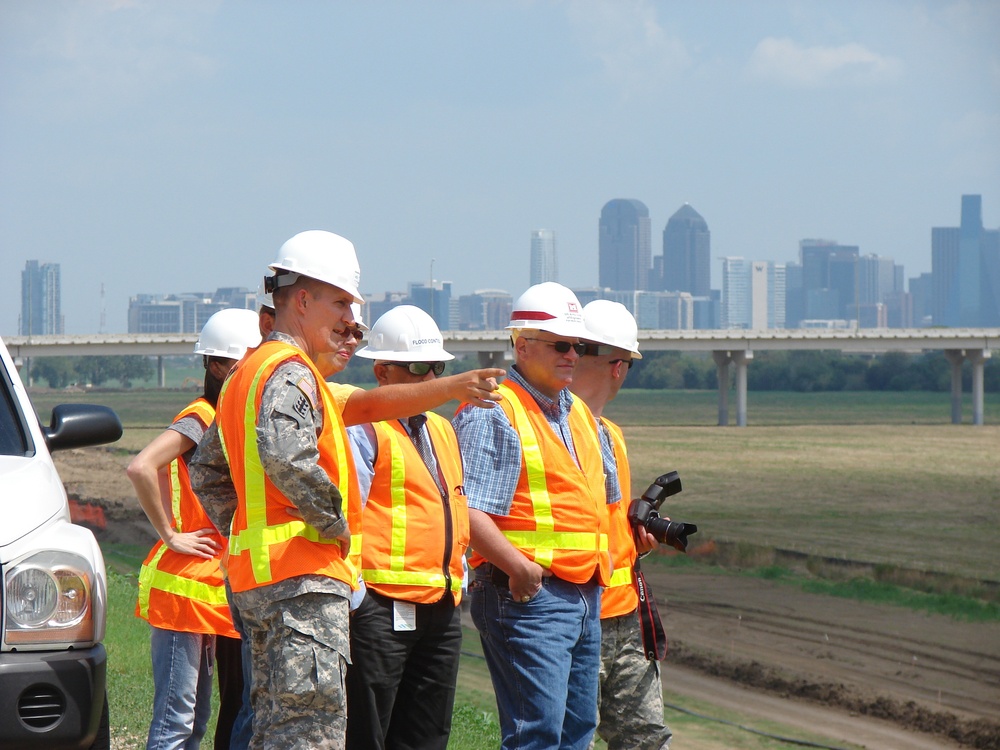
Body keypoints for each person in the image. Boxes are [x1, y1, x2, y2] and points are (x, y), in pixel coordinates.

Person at [189, 229, 368, 750]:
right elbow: (288, 456)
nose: (347, 319)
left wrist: (243, 529)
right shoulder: (292, 372)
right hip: (303, 585)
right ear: (304, 301)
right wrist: (336, 525)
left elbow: (206, 469)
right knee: (307, 733)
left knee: (273, 730)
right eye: (340, 302)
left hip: (259, 585)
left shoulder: (247, 373)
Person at [453, 282, 611, 750]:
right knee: (536, 736)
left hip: (584, 595)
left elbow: (598, 504)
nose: (572, 355)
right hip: (527, 595)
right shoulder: (494, 410)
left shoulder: (578, 413)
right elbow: (469, 510)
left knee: (576, 732)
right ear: (522, 345)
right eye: (560, 344)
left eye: (577, 346)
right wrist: (519, 567)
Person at [127, 307, 261, 750]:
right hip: (184, 587)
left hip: (205, 588)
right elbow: (142, 466)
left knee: (194, 722)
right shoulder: (203, 416)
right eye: (246, 365)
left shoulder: (227, 416)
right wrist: (170, 533)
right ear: (220, 367)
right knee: (175, 723)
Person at [344, 305, 469, 750]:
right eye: (419, 368)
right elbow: (345, 515)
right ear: (382, 371)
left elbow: (451, 503)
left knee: (426, 737)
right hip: (379, 606)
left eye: (437, 367)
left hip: (440, 605)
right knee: (368, 734)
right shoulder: (364, 427)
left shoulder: (442, 427)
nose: (432, 377)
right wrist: (357, 595)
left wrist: (461, 575)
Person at [571, 300, 672, 750]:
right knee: (573, 736)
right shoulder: (553, 429)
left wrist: (638, 543)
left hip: (624, 611)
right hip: (575, 611)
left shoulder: (611, 435)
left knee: (643, 738)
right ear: (619, 367)